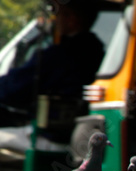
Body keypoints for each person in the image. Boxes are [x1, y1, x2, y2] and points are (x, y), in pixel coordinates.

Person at [0, 0, 104, 153]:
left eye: (58, 13)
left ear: (72, 19)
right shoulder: (96, 51)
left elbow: (15, 88)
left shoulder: (60, 55)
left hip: (50, 137)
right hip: (73, 135)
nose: (55, 19)